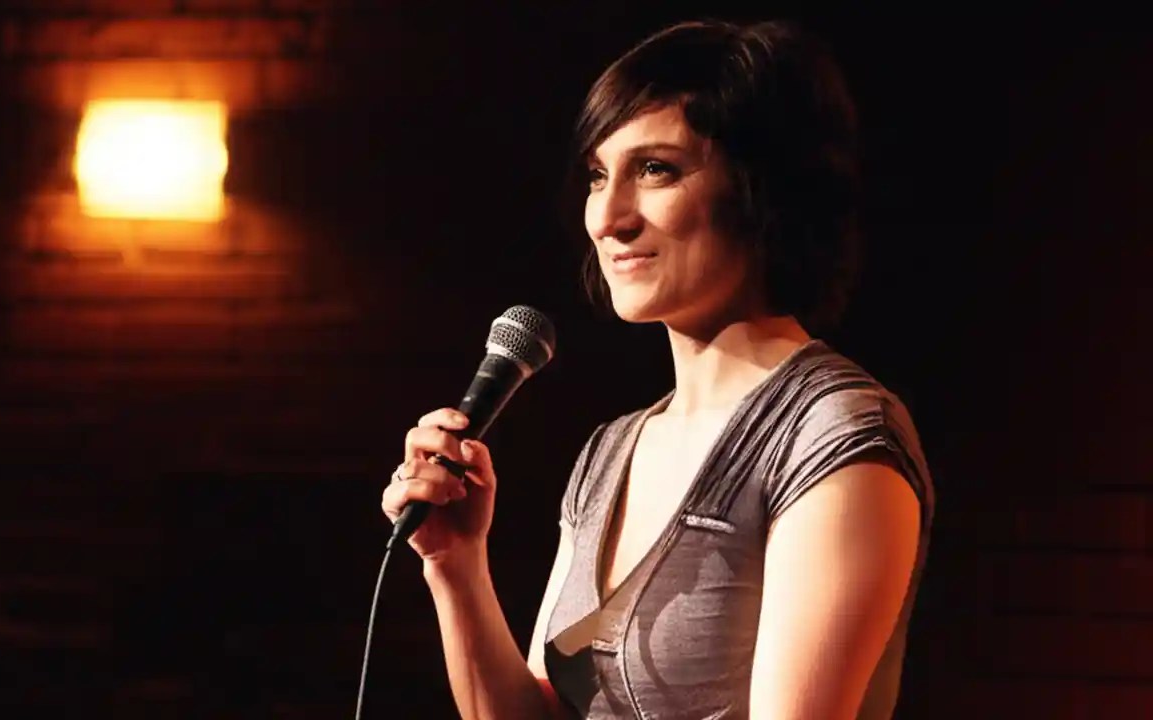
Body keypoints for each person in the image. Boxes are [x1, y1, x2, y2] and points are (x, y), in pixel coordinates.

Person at [380, 18, 934, 720]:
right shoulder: (612, 451)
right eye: (597, 176)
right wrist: (455, 566)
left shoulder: (832, 434)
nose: (607, 218)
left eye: (655, 170)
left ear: (761, 189)